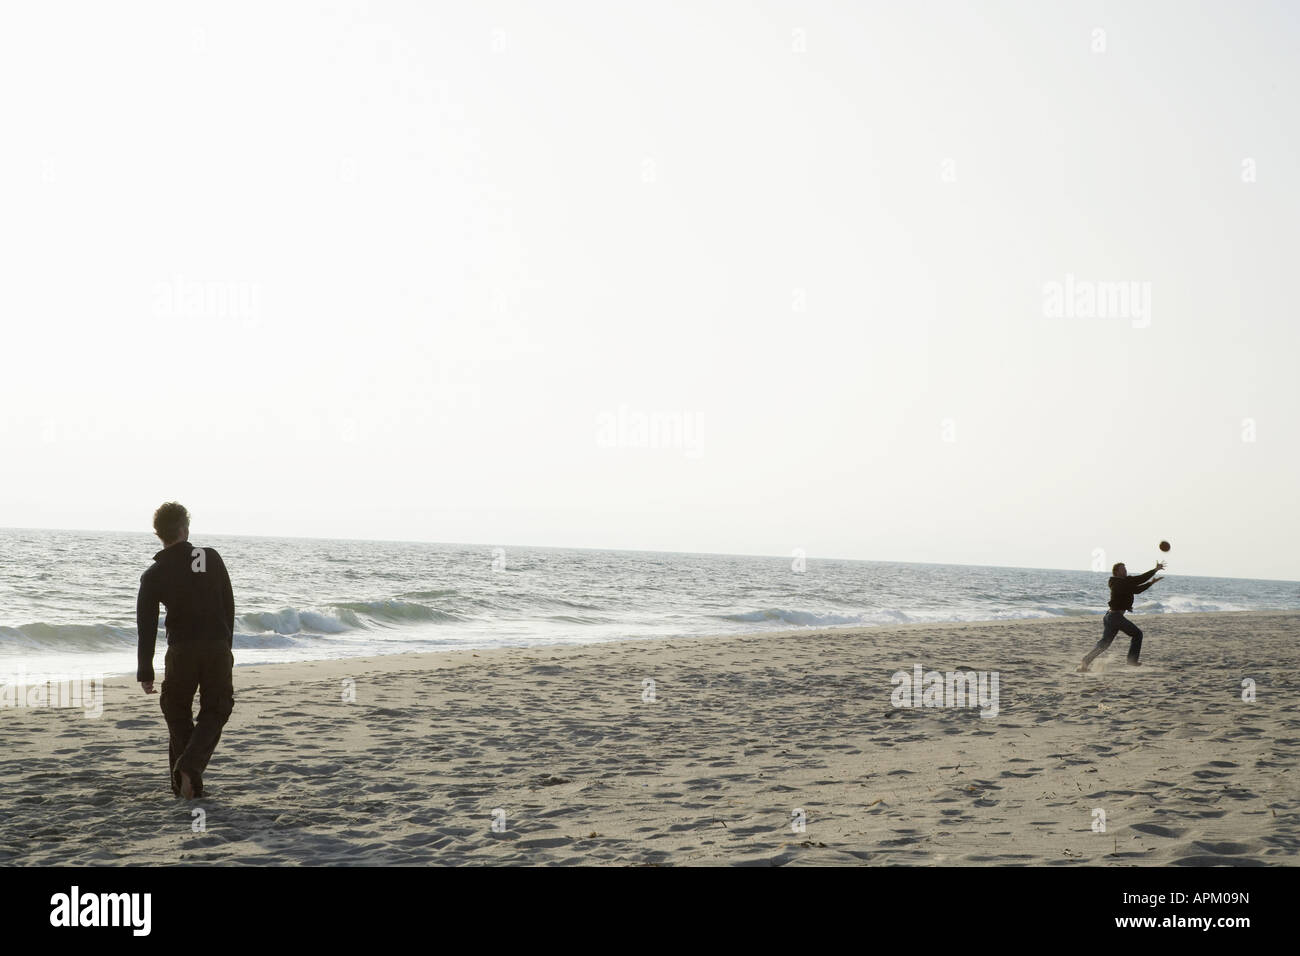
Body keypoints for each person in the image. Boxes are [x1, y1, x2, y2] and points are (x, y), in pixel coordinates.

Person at [136, 502, 235, 798]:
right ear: (184, 529)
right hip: (216, 646)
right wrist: (226, 645)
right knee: (216, 708)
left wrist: (145, 670)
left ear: (159, 534)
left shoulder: (154, 573)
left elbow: (147, 626)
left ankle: (184, 782)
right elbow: (228, 603)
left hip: (182, 650)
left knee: (176, 710)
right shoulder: (207, 557)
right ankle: (189, 770)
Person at [1078, 560, 1165, 672]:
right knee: (1137, 634)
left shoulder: (1125, 581)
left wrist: (1154, 571)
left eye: (1125, 569)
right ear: (1117, 572)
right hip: (1115, 617)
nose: (1125, 571)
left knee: (1104, 644)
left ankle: (1085, 662)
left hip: (1111, 616)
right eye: (1123, 569)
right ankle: (1131, 660)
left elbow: (1139, 579)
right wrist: (1151, 581)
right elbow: (1137, 588)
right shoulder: (1117, 584)